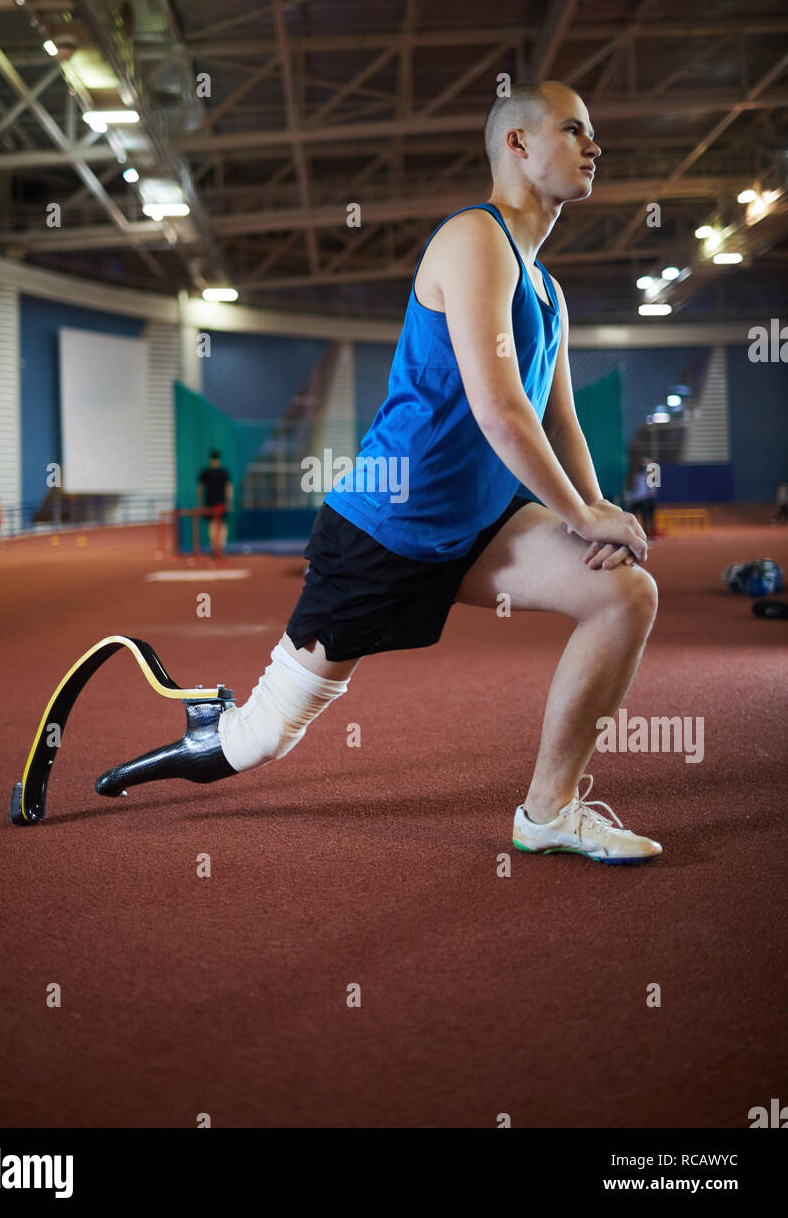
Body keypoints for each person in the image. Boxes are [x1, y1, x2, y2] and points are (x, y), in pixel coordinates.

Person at [97, 80, 662, 866]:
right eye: (576, 129)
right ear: (518, 144)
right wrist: (584, 514)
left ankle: (550, 811)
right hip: (382, 532)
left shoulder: (550, 291)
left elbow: (558, 418)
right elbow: (500, 409)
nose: (595, 146)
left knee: (624, 593)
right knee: (259, 739)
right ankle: (186, 737)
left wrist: (595, 506)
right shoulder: (474, 239)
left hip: (478, 527)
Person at [197, 450, 233, 561]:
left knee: (212, 524)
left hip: (210, 503)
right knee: (221, 524)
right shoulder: (223, 472)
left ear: (210, 460)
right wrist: (229, 502)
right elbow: (229, 488)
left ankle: (215, 548)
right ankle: (220, 547)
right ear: (219, 459)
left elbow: (200, 489)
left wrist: (199, 503)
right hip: (221, 503)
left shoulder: (206, 472)